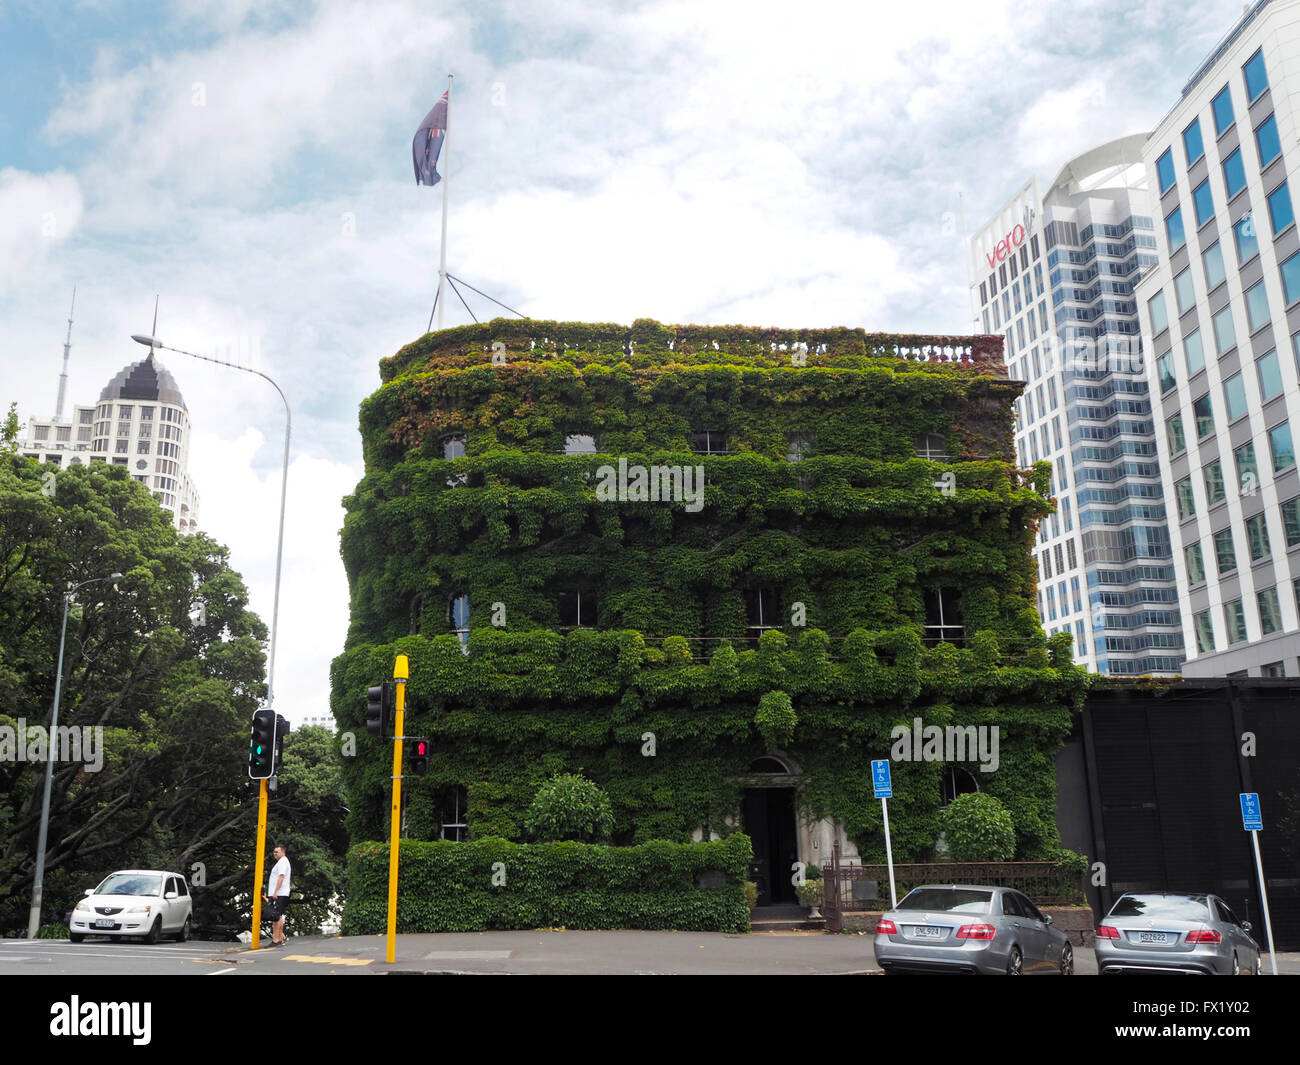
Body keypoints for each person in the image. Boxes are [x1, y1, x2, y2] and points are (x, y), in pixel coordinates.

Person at [263, 843, 291, 946]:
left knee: (276, 916)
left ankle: (276, 940)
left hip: (279, 893)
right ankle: (281, 937)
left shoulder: (283, 862)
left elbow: (281, 877)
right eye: (274, 852)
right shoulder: (281, 862)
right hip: (278, 893)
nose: (274, 854)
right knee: (276, 915)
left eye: (277, 852)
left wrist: (275, 892)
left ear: (283, 852)